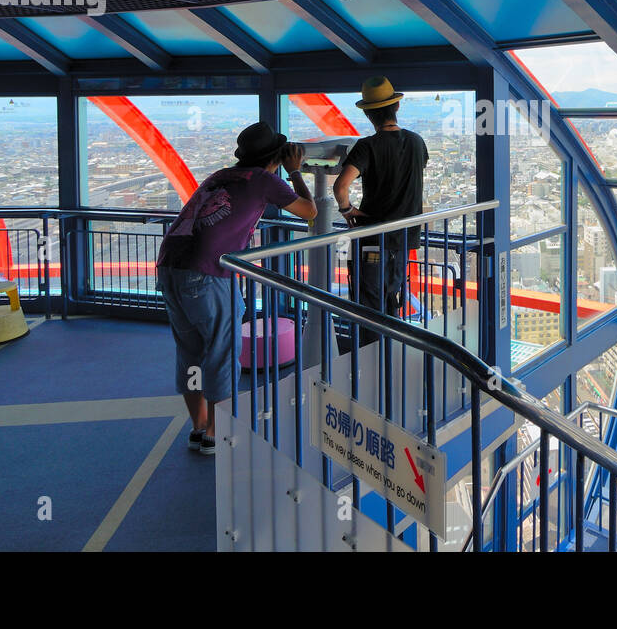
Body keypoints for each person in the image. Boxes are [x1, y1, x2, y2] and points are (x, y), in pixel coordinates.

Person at [156, 122, 316, 455]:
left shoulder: (221, 175)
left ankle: (199, 426)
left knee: (190, 350)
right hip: (207, 271)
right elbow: (309, 212)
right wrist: (295, 171)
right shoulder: (265, 181)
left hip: (170, 265)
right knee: (221, 349)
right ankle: (216, 433)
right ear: (275, 157)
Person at [333, 76, 429, 351]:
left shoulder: (367, 146)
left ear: (367, 113)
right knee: (391, 295)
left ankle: (370, 358)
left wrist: (347, 210)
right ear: (396, 107)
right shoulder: (416, 142)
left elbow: (341, 186)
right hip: (403, 241)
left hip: (372, 238)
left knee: (368, 301)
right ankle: (391, 353)